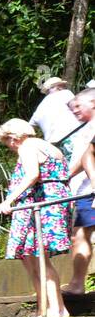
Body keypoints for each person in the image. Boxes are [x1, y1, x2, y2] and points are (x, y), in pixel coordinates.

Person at [0, 118, 72, 317]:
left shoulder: (27, 146)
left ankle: (55, 308)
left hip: (40, 205)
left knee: (38, 258)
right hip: (49, 202)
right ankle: (46, 308)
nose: (9, 147)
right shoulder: (49, 147)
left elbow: (32, 175)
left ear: (13, 138)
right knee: (33, 257)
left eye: (7, 142)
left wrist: (8, 201)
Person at [62, 89, 95, 295]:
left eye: (78, 106)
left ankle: (77, 284)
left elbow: (86, 157)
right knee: (80, 235)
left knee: (81, 235)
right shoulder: (87, 128)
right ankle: (77, 284)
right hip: (85, 190)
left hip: (89, 190)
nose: (74, 111)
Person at [29, 77, 79, 144]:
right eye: (63, 86)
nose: (64, 88)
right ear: (58, 87)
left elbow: (29, 127)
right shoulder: (66, 93)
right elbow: (80, 106)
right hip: (73, 137)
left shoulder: (40, 107)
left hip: (52, 144)